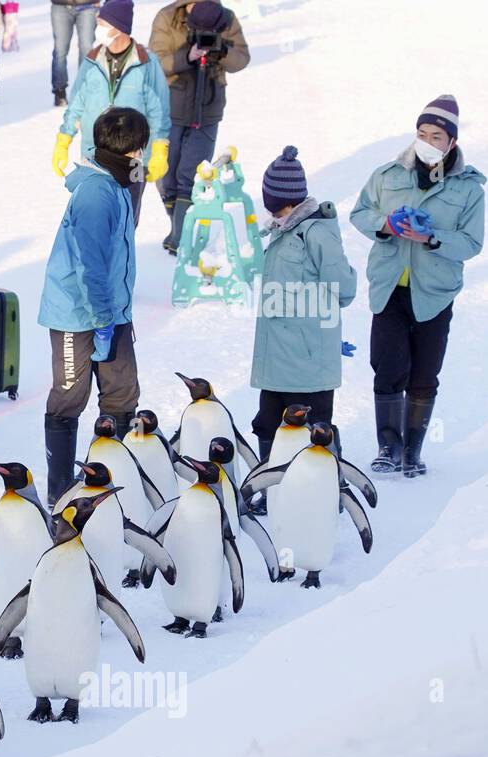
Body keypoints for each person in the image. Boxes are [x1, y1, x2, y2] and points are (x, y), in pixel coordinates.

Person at [351, 95, 484, 478]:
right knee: (387, 365)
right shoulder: (388, 174)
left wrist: (433, 238)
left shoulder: (469, 190)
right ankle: (388, 446)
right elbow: (360, 212)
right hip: (390, 287)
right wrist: (386, 225)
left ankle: (413, 450)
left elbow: (472, 243)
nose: (427, 140)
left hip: (435, 293)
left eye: (437, 135)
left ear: (452, 143)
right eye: (422, 132)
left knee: (425, 372)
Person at [37, 107, 150, 505]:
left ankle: (118, 481)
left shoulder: (118, 182)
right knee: (70, 395)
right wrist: (102, 318)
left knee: (122, 394)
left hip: (113, 311)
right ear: (133, 149)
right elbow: (90, 266)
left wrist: (113, 315)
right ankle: (59, 489)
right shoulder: (96, 195)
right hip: (77, 315)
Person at [250, 146, 358, 457]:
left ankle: (328, 484)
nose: (272, 215)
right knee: (268, 423)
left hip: (307, 361)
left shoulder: (317, 233)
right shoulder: (281, 231)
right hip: (276, 357)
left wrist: (322, 332)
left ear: (290, 202)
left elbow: (344, 287)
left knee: (313, 428)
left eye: (276, 209)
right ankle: (272, 484)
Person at [52, 0, 170, 221]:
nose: (99, 27)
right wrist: (64, 139)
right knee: (92, 218)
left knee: (126, 221)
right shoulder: (92, 59)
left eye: (103, 22)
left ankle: (123, 256)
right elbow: (77, 102)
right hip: (93, 156)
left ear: (120, 27)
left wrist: (160, 148)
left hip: (134, 159)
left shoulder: (147, 63)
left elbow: (159, 111)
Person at [149, 0, 249, 254]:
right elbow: (155, 63)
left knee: (190, 174)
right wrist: (187, 56)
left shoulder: (225, 17)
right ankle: (178, 227)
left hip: (208, 106)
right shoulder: (167, 17)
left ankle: (181, 237)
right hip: (170, 107)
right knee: (166, 176)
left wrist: (222, 51)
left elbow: (242, 58)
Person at [51, 1, 100, 108]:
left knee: (87, 49)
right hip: (60, 5)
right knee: (60, 50)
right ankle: (59, 90)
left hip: (89, 5)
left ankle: (84, 90)